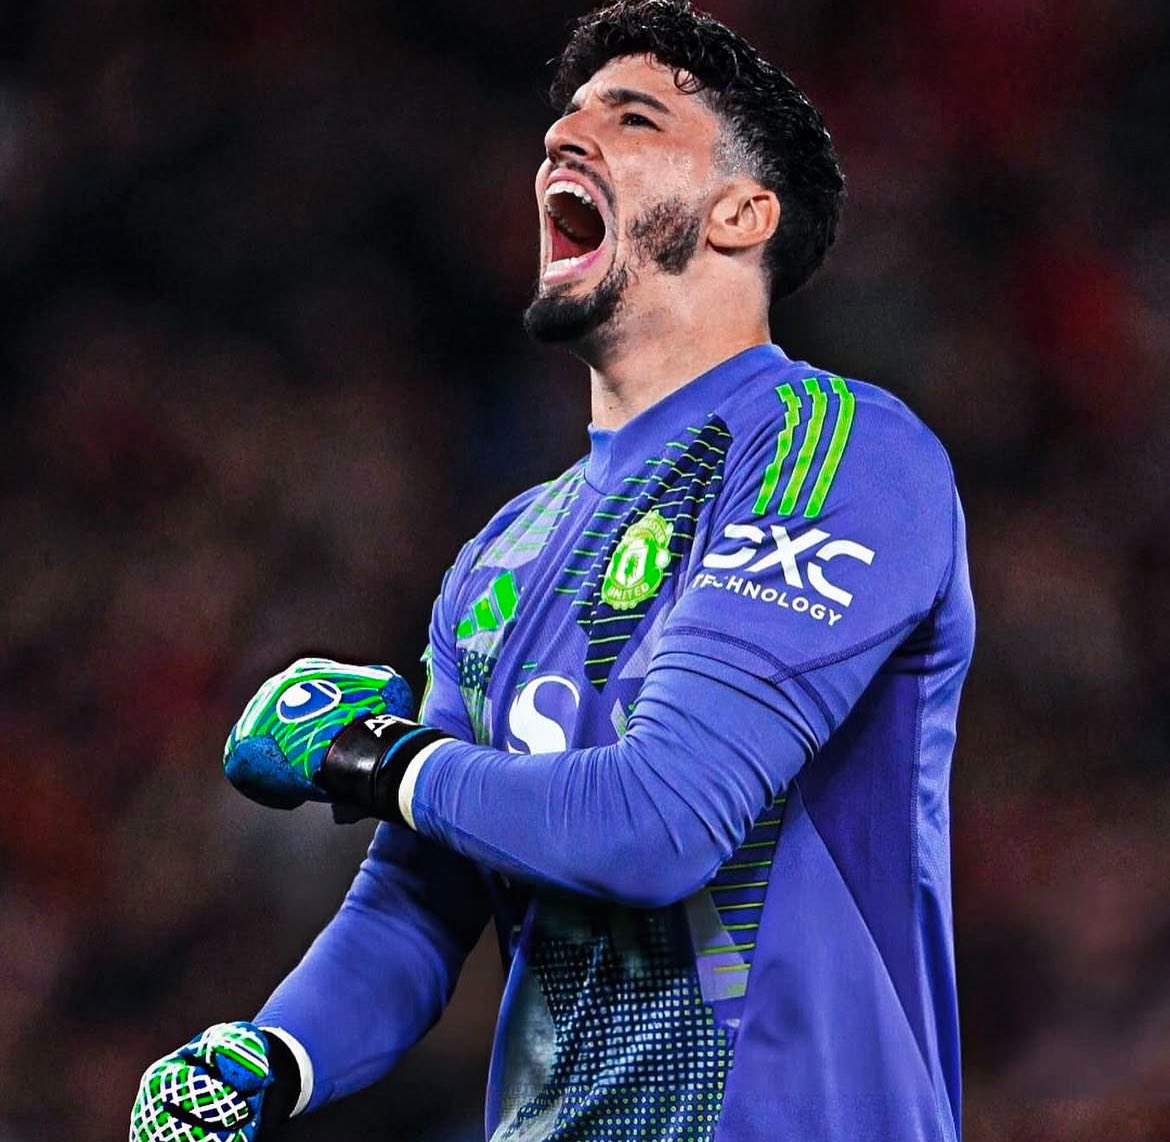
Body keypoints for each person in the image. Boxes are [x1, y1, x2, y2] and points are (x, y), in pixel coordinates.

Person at [130, 1, 974, 1140]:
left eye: (633, 119)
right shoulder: (505, 552)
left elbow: (661, 820)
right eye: (564, 120)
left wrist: (367, 755)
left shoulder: (838, 450)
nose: (562, 139)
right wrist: (271, 1058)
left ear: (740, 212)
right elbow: (414, 904)